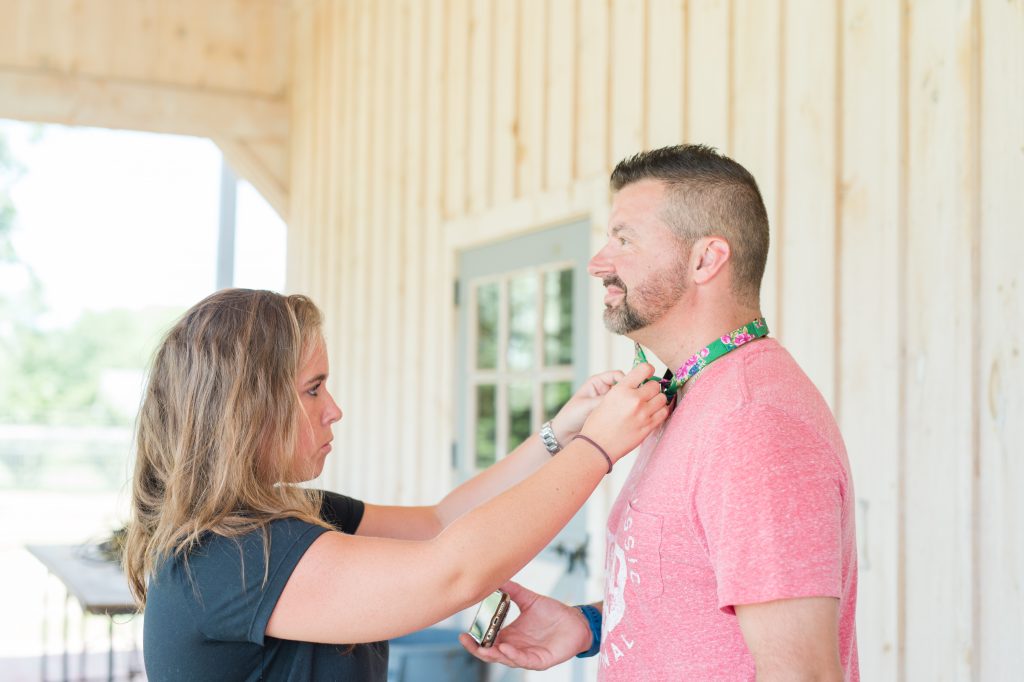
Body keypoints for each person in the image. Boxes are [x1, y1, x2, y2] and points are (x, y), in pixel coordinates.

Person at [122, 288, 669, 681]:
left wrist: (561, 433)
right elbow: (451, 572)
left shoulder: (292, 516)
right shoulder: (231, 557)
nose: (333, 410)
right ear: (247, 409)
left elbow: (439, 523)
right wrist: (598, 450)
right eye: (313, 390)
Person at [459, 145, 859, 680]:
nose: (598, 262)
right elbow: (704, 598)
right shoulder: (691, 391)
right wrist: (589, 626)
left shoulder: (753, 424)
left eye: (624, 239)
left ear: (705, 259)